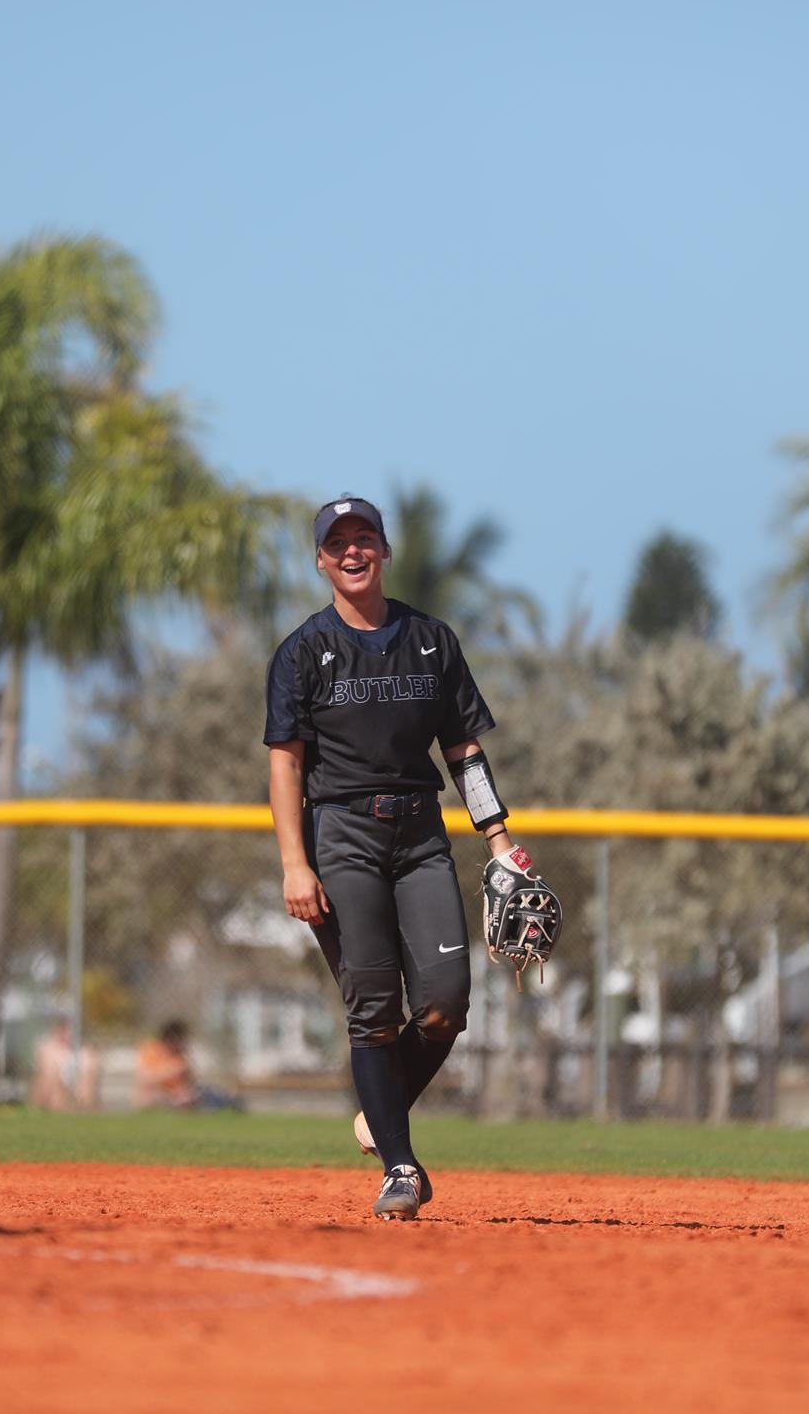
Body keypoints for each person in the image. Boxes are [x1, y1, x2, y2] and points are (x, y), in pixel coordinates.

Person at [264, 495, 530, 1221]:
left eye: (364, 538)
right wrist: (295, 863)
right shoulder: (302, 652)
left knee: (446, 1003)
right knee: (373, 1012)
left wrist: (499, 842)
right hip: (341, 835)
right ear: (320, 560)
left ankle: (378, 1116)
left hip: (418, 835)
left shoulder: (430, 640)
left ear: (384, 551)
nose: (352, 551)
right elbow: (285, 765)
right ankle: (400, 1164)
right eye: (337, 542)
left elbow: (464, 750)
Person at [133, 1020, 243, 1112]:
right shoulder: (151, 1050)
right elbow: (145, 1079)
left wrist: (185, 1091)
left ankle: (230, 1102)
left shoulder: (180, 1054)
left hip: (181, 1096)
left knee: (206, 1093)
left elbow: (189, 1081)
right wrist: (172, 1070)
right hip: (159, 1096)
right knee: (159, 1098)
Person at [29, 1017, 98, 1111]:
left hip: (77, 1085)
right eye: (62, 1029)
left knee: (85, 1083)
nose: (65, 1034)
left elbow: (90, 1072)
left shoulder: (84, 1051)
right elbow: (45, 1072)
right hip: (55, 1087)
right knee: (52, 1082)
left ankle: (80, 1109)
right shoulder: (48, 1049)